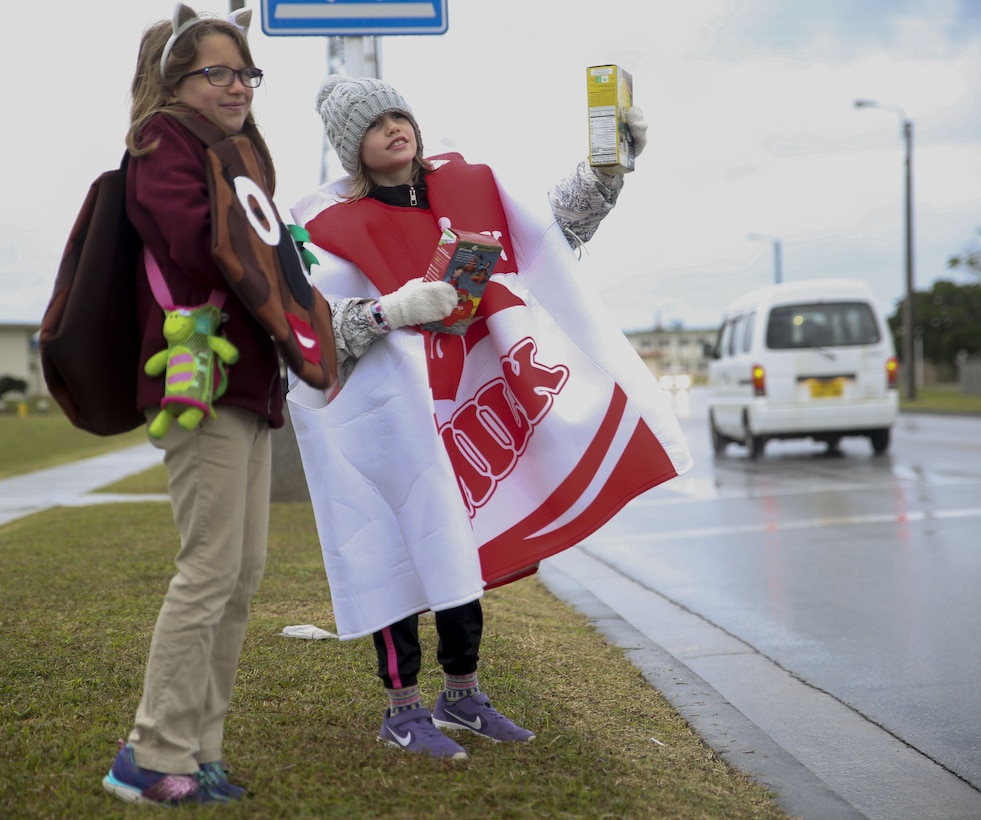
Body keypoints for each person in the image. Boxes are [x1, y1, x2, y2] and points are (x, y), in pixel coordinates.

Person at [287, 75, 682, 761]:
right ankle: (400, 707)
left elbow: (551, 231)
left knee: (461, 547)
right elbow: (314, 331)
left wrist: (606, 169)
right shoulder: (325, 229)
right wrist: (391, 310)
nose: (392, 127)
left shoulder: (467, 186)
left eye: (397, 113)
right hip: (391, 417)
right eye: (373, 123)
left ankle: (462, 693)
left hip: (471, 402)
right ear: (352, 150)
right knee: (403, 548)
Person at [100, 4, 282, 804]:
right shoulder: (162, 142)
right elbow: (196, 238)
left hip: (248, 381)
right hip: (196, 378)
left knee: (241, 574)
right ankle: (149, 753)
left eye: (246, 72)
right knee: (208, 569)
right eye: (220, 71)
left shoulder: (235, 150)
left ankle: (198, 749)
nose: (238, 84)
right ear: (178, 79)